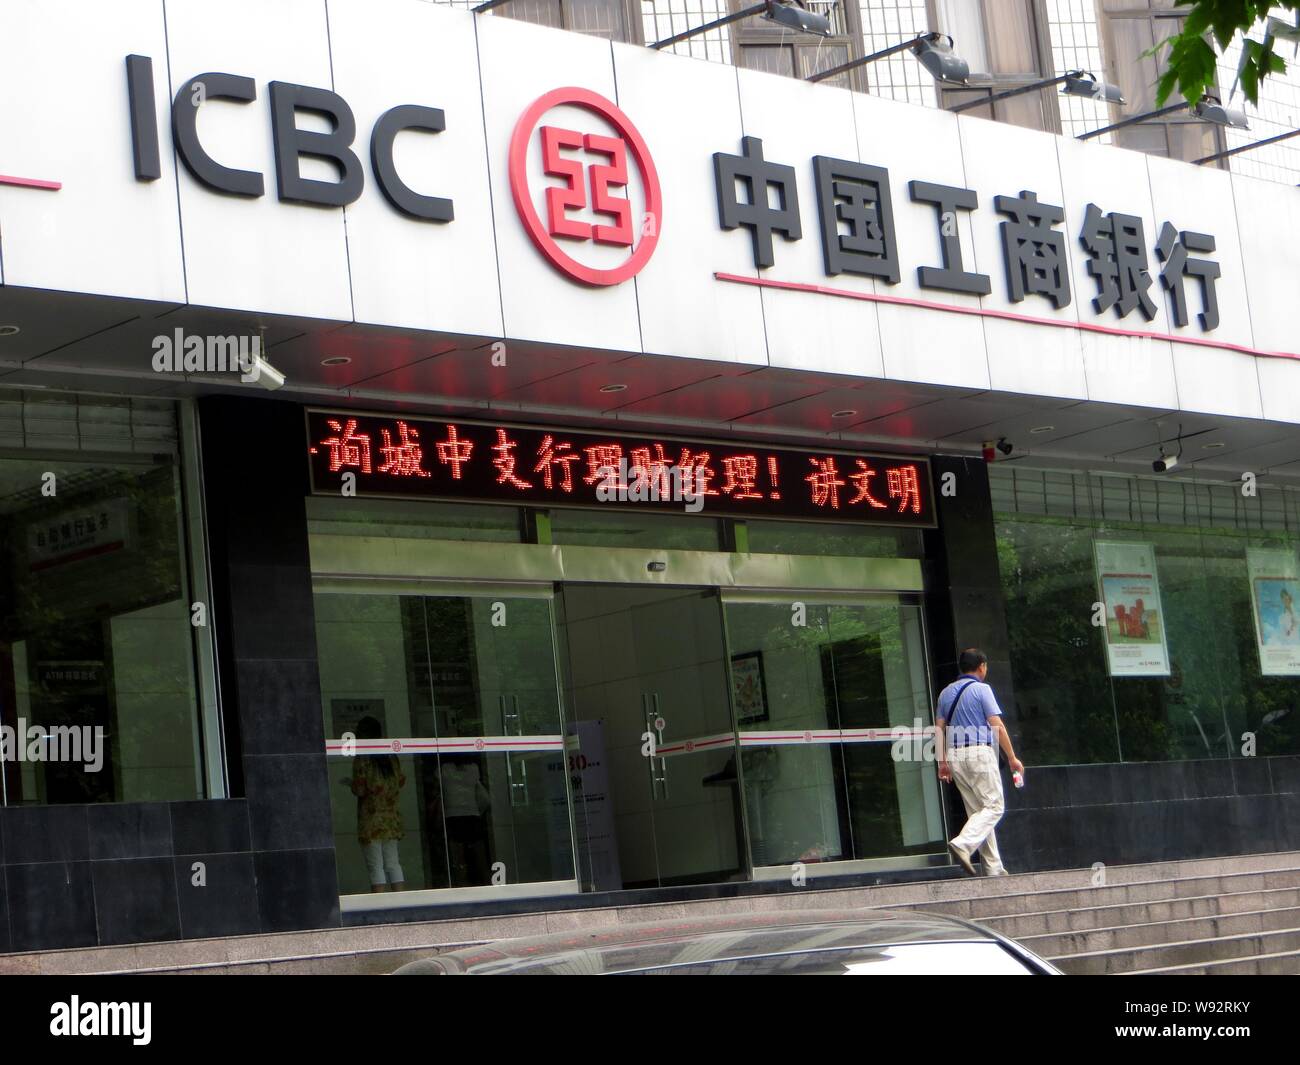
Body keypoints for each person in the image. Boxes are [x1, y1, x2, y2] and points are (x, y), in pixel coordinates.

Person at [934, 648, 1024, 877]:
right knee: (994, 807)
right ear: (982, 666)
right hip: (979, 754)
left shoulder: (945, 693)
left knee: (979, 813)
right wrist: (1012, 758)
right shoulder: (982, 690)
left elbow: (939, 730)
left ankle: (993, 868)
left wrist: (942, 762)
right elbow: (997, 725)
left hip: (955, 757)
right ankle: (963, 844)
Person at [348, 715, 406, 893]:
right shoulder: (390, 756)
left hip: (371, 818)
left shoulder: (363, 758)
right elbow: (400, 781)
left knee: (376, 866)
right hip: (391, 818)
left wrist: (351, 785)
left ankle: (380, 907)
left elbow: (361, 789)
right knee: (393, 864)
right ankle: (402, 901)